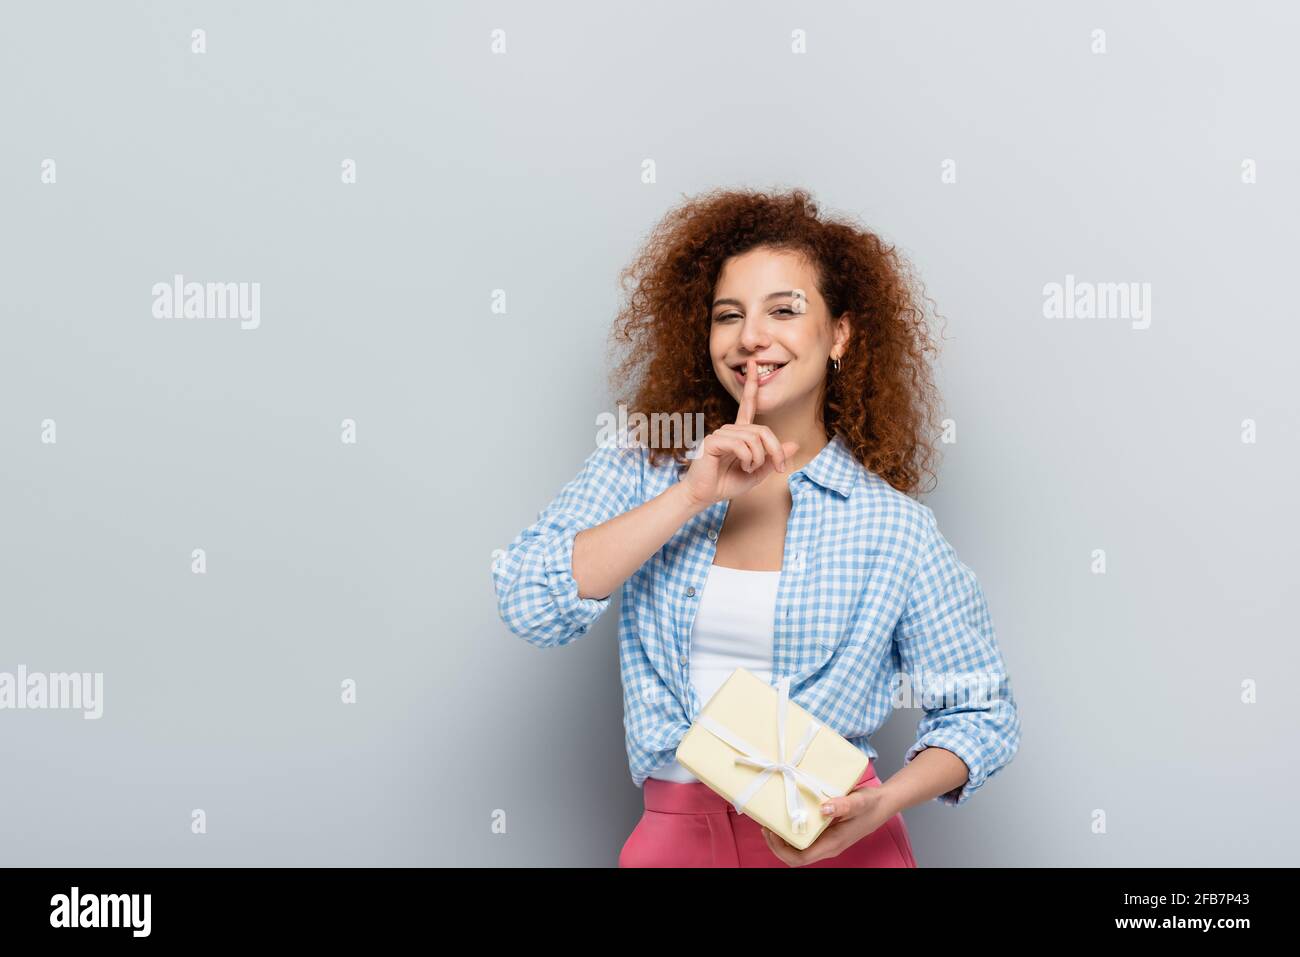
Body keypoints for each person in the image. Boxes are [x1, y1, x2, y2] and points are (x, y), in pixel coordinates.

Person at [492, 187, 1021, 867]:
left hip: (840, 844)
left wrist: (880, 805)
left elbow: (983, 712)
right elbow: (528, 599)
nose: (750, 337)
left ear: (840, 334)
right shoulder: (646, 466)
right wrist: (690, 493)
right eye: (729, 315)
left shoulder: (894, 529)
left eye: (784, 310)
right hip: (676, 839)